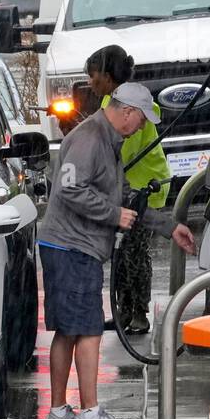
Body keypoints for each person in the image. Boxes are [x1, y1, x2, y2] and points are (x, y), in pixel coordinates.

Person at [37, 82, 196, 419]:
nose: (141, 128)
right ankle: (89, 413)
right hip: (71, 247)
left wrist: (168, 227)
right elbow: (69, 190)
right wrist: (112, 214)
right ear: (127, 112)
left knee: (69, 330)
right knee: (89, 330)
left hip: (70, 247)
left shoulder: (109, 142)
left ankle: (59, 411)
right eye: (140, 121)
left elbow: (124, 198)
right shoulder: (90, 138)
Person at [85, 45, 172, 334]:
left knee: (134, 252)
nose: (90, 83)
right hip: (127, 190)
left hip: (143, 188)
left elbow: (121, 150)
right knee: (122, 253)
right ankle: (123, 311)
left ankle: (139, 313)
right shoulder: (111, 101)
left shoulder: (131, 104)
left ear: (107, 75)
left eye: (93, 76)